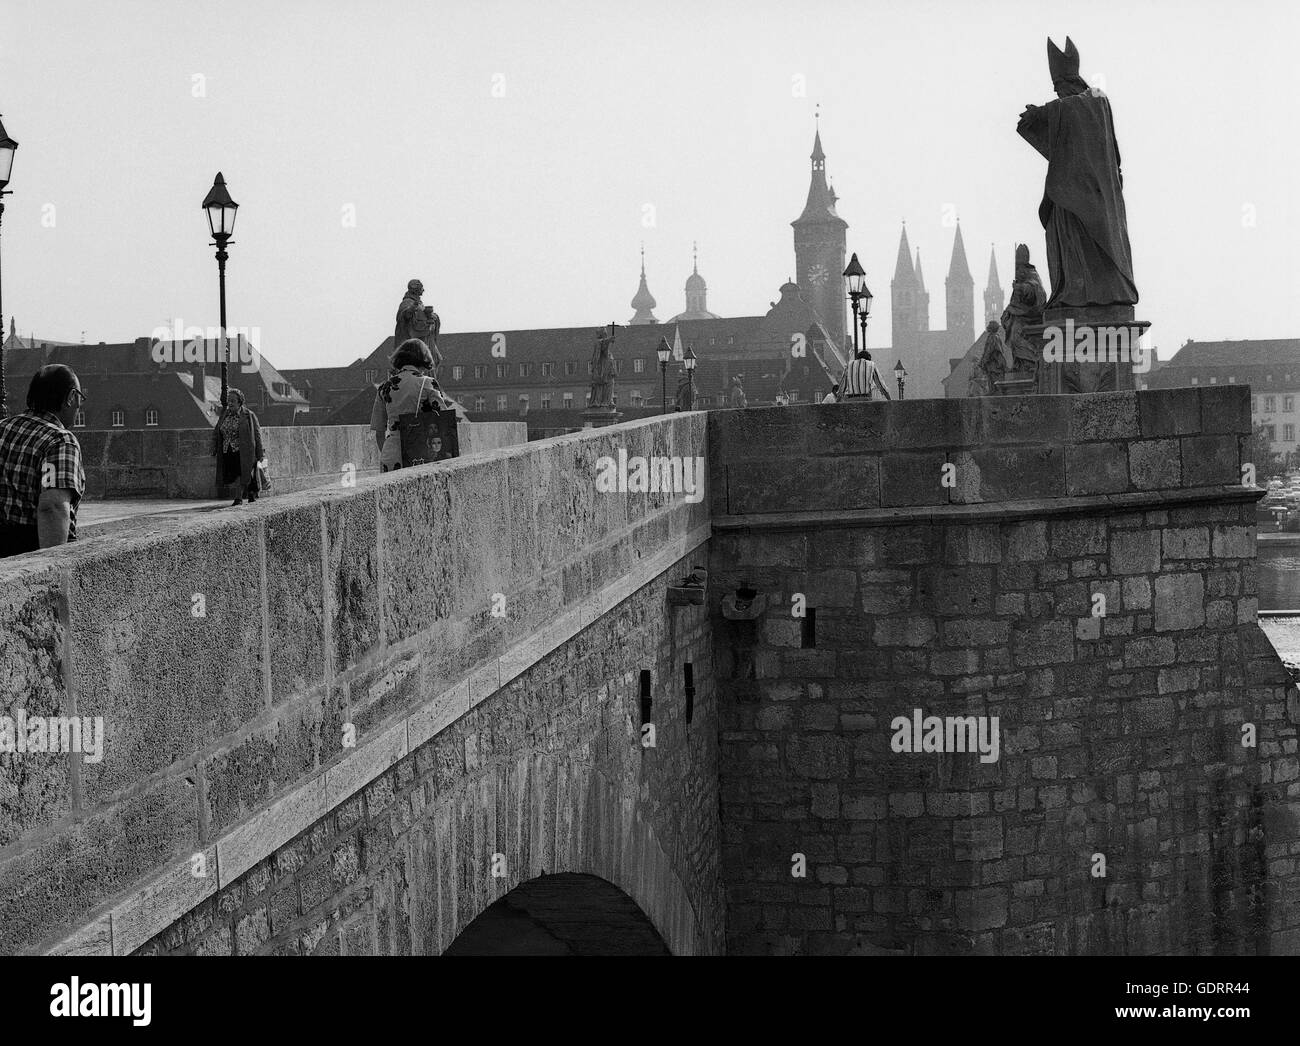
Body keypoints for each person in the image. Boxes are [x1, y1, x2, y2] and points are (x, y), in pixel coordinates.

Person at [0, 364, 86, 557]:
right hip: (30, 549)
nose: (80, 405)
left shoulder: (2, 428)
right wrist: (51, 570)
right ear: (71, 398)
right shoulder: (60, 441)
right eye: (80, 397)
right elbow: (52, 507)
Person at [370, 338, 452, 472]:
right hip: (420, 454)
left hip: (390, 456)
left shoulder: (384, 387)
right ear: (423, 359)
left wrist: (389, 453)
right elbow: (444, 422)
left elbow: (379, 432)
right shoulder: (427, 383)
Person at [211, 387, 264, 506]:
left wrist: (260, 453)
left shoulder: (248, 415)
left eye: (233, 401)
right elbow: (217, 431)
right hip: (227, 449)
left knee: (241, 472)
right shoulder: (225, 414)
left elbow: (257, 434)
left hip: (243, 450)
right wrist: (214, 447)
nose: (230, 403)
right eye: (229, 401)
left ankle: (238, 498)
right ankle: (250, 492)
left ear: (240, 402)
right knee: (234, 474)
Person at [395, 280, 443, 374]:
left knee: (436, 359)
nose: (423, 290)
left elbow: (422, 318)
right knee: (422, 362)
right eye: (421, 288)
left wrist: (433, 317)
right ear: (415, 289)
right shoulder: (407, 302)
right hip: (414, 341)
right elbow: (403, 317)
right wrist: (411, 309)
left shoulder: (419, 303)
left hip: (425, 338)